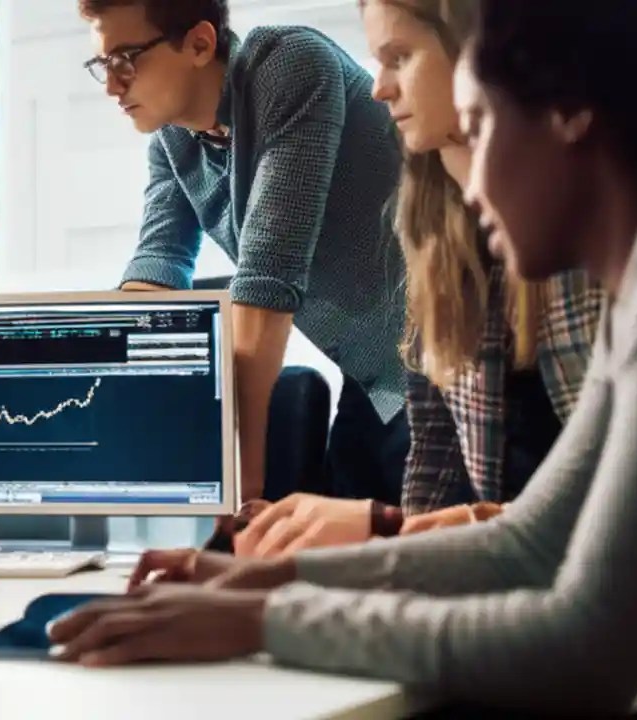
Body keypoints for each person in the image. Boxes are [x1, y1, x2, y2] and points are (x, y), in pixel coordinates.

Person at [49, 1, 637, 716]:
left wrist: (259, 618)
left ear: (568, 108)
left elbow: (588, 643)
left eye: (476, 130)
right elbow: (531, 545)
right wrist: (265, 581)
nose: (472, 190)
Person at [233, 0, 603, 557]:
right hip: (504, 574)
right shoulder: (432, 225)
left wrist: (386, 531)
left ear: (477, 52)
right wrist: (392, 561)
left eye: (399, 58)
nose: (378, 88)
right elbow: (432, 455)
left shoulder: (587, 241)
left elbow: (613, 516)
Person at [78, 0, 407, 507]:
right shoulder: (174, 138)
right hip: (371, 384)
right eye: (103, 65)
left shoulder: (289, 64)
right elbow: (157, 268)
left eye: (126, 59)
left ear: (200, 44)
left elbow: (266, 284)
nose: (111, 86)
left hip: (450, 366)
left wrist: (239, 484)